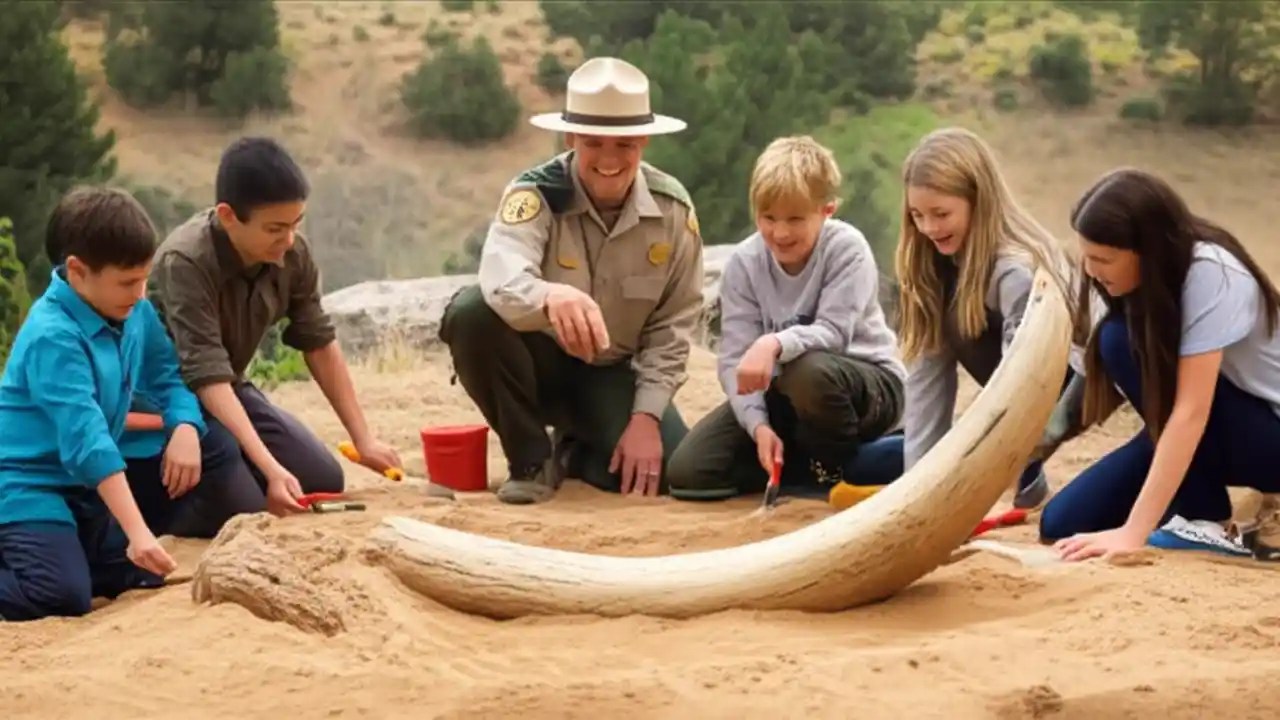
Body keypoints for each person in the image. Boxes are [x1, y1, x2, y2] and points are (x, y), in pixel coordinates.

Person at [440, 57, 704, 505]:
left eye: (623, 145)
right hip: (535, 363)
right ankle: (529, 458)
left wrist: (646, 417)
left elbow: (673, 325)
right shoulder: (534, 194)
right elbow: (500, 279)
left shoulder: (673, 211)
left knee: (670, 473)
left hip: (612, 372)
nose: (608, 159)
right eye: (592, 143)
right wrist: (548, 296)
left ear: (643, 141)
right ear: (570, 138)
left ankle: (576, 452)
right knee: (470, 313)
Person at [148, 137, 403, 524]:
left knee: (322, 479)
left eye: (295, 225)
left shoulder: (291, 251)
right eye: (274, 228)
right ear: (229, 216)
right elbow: (205, 374)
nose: (288, 240)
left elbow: (318, 342)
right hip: (171, 399)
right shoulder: (186, 261)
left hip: (229, 387)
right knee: (247, 507)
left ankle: (235, 465)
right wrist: (269, 468)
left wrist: (363, 438)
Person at [1041, 168, 1280, 563]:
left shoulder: (1213, 274)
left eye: (1103, 259)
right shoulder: (1132, 285)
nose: (1090, 271)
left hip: (1264, 432)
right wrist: (1035, 451)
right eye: (1086, 256)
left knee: (1119, 340)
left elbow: (1190, 411)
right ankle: (1194, 507)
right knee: (1063, 523)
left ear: (1147, 250)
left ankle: (1204, 519)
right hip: (1215, 431)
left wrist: (1133, 534)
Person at [666, 136, 906, 501]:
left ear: (826, 210)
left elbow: (835, 333)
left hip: (864, 387)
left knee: (807, 371)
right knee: (691, 471)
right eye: (768, 218)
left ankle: (848, 467)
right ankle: (815, 464)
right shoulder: (745, 264)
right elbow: (734, 360)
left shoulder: (847, 248)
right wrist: (758, 425)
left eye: (795, 219)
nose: (780, 233)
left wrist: (773, 343)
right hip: (788, 395)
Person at [0, 187, 198, 621]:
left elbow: (167, 378)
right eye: (128, 282)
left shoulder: (132, 310)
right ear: (77, 272)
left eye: (143, 278)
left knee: (141, 573)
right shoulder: (53, 335)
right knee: (60, 595)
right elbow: (88, 440)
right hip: (26, 486)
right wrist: (138, 532)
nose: (141, 293)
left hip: (83, 492)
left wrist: (184, 425)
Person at [895, 127, 1075, 510]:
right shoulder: (937, 267)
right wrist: (914, 494)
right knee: (882, 461)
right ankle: (1024, 469)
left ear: (979, 201)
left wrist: (999, 455)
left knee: (1065, 516)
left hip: (1072, 385)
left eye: (941, 214)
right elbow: (927, 381)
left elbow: (1023, 379)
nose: (928, 228)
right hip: (1017, 388)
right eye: (917, 216)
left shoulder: (1015, 270)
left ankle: (1026, 462)